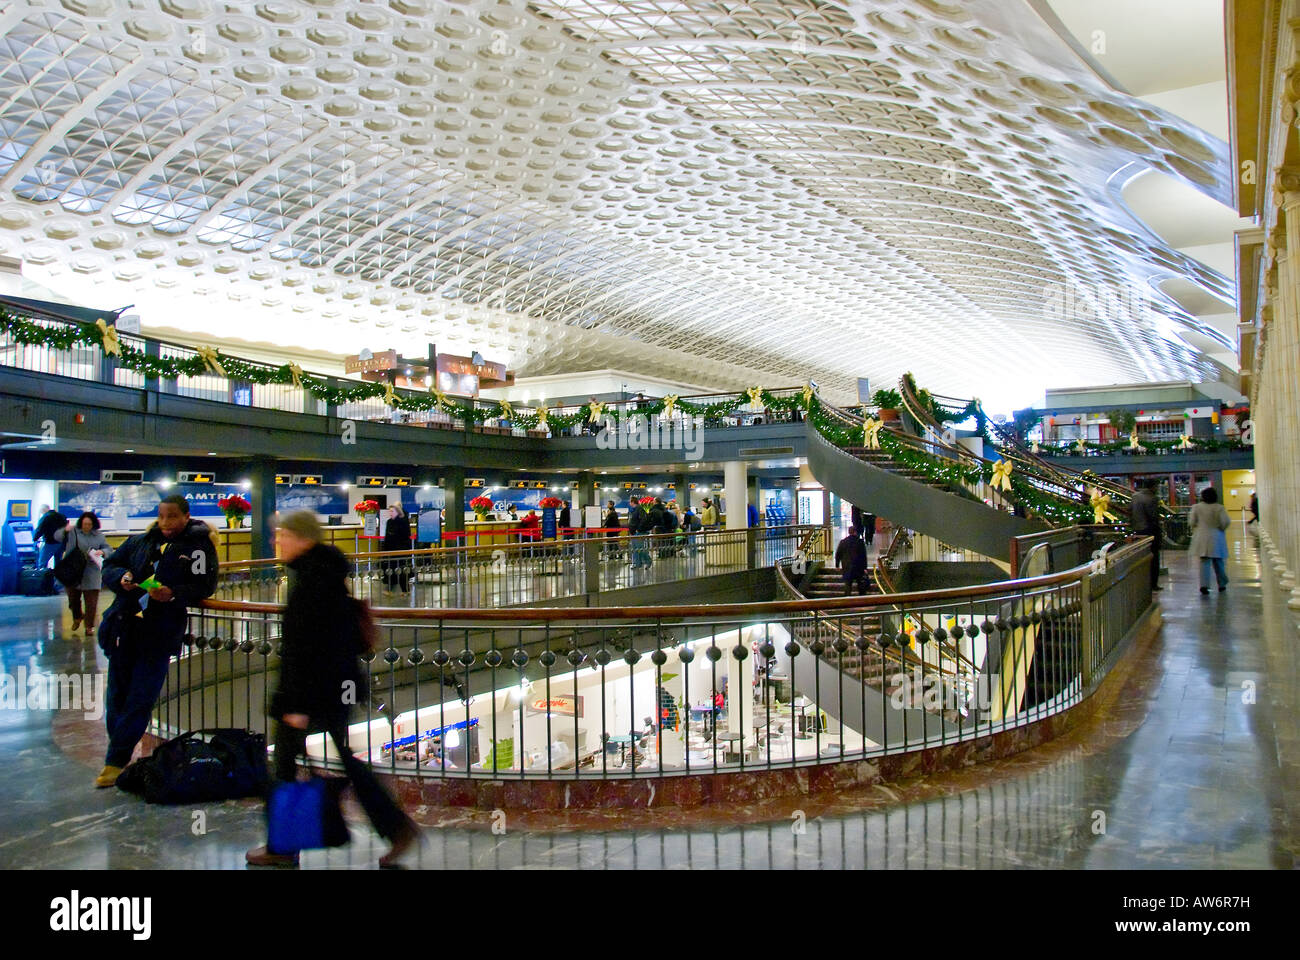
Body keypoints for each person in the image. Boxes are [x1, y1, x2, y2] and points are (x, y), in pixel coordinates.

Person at [246, 511, 419, 869]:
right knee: (346, 761)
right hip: (336, 686)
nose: (277, 541)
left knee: (283, 766)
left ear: (303, 539)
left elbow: (307, 647)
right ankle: (397, 827)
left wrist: (295, 703)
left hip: (313, 691)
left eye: (284, 535)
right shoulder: (323, 573)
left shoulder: (312, 580)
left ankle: (283, 846)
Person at [96, 495, 218, 788]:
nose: (166, 524)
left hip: (159, 633)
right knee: (116, 695)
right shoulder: (141, 542)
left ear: (186, 516)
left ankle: (115, 760)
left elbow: (204, 585)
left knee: (141, 696)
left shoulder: (198, 548)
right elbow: (110, 564)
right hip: (125, 628)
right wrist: (122, 577)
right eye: (162, 517)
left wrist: (173, 592)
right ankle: (119, 753)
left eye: (173, 517)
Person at [55, 511, 110, 636]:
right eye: (85, 524)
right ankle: (77, 616)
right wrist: (65, 529)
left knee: (91, 602)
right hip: (73, 571)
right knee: (73, 599)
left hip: (91, 571)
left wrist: (102, 552)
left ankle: (89, 626)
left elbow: (108, 549)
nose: (87, 526)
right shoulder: (73, 532)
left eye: (89, 524)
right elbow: (56, 537)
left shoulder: (99, 536)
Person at [1189, 486, 1231, 595]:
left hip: (1202, 537)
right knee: (1218, 562)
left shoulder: (1197, 507)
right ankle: (1222, 584)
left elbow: (1192, 522)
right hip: (1216, 536)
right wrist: (1220, 528)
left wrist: (1197, 527)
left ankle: (1204, 585)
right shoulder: (1219, 508)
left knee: (1204, 562)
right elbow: (1225, 522)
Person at [1129, 479, 1162, 591]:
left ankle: (1141, 583)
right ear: (1153, 487)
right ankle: (1153, 584)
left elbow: (1130, 511)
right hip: (1150, 531)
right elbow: (1153, 517)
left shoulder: (1135, 496)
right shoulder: (1152, 498)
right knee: (1153, 558)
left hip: (1138, 530)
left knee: (1140, 557)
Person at [380, 504, 411, 592]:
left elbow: (406, 536)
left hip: (400, 550)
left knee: (400, 570)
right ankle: (390, 589)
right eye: (390, 511)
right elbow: (387, 538)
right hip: (390, 550)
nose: (390, 513)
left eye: (392, 511)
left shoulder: (403, 522)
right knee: (391, 569)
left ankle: (404, 590)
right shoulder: (389, 522)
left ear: (398, 512)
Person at [34, 504, 68, 578]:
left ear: (44, 509)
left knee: (42, 562)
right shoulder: (61, 516)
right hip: (61, 543)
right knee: (58, 563)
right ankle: (58, 583)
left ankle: (42, 581)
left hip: (50, 543)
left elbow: (40, 529)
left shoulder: (45, 517)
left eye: (41, 511)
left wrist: (34, 539)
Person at [835, 526, 868, 595]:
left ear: (849, 532)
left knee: (848, 585)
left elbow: (838, 554)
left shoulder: (843, 542)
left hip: (847, 567)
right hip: (858, 567)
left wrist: (837, 565)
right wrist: (865, 567)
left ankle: (848, 601)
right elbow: (863, 556)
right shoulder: (860, 542)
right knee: (860, 585)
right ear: (855, 532)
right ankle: (862, 601)